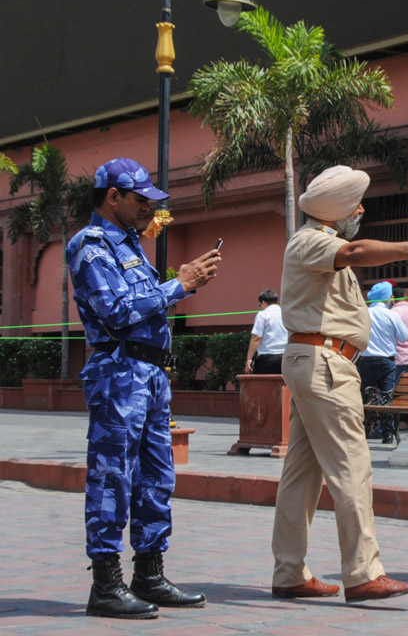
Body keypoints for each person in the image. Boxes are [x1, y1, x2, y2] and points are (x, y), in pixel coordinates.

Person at [270, 165, 408, 603]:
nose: (361, 209)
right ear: (337, 210)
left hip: (317, 361)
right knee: (352, 465)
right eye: (355, 204)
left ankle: (289, 571)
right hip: (325, 364)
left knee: (302, 473)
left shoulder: (317, 241)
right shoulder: (316, 239)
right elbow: (353, 253)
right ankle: (362, 573)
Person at [66, 157, 221, 619]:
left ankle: (149, 574)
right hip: (119, 375)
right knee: (112, 476)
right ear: (112, 196)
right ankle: (106, 585)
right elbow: (115, 313)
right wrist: (180, 285)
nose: (147, 210)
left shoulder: (130, 246)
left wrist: (181, 281)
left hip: (150, 376)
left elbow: (143, 305)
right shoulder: (91, 245)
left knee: (157, 477)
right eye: (139, 200)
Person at [357, 281, 408, 443]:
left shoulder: (362, 313)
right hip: (386, 361)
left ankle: (363, 429)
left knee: (363, 397)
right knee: (387, 397)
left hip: (365, 361)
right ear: (388, 298)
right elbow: (404, 336)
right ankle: (387, 433)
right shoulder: (392, 315)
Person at [245, 289, 288, 374]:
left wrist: (249, 358)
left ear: (263, 302)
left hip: (267, 359)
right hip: (286, 358)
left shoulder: (263, 315)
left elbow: (256, 337)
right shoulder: (286, 314)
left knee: (262, 385)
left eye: (259, 305)